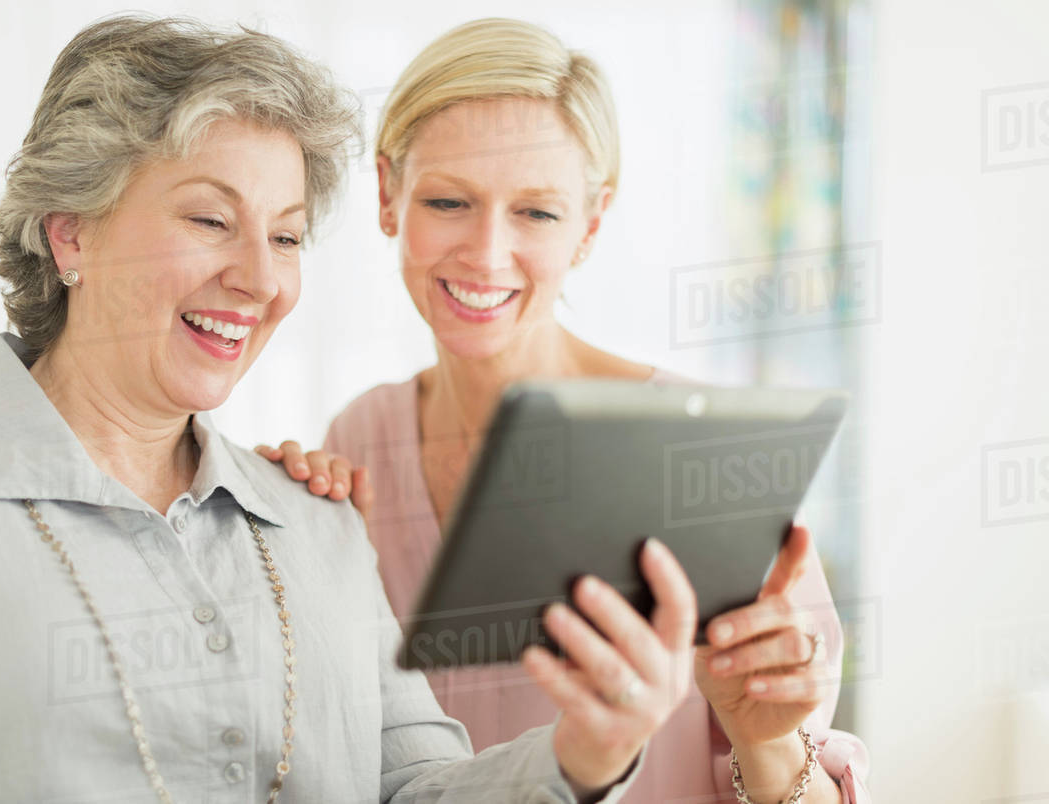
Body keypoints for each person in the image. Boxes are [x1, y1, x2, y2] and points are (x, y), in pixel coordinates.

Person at [0, 15, 726, 803]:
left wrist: (588, 749)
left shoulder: (316, 519)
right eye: (209, 220)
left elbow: (416, 790)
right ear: (71, 228)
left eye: (286, 236)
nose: (261, 281)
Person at [260, 18, 870, 803]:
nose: (485, 253)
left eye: (537, 214)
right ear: (388, 195)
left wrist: (770, 741)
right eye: (449, 201)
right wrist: (286, 540)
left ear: (590, 224)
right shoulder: (362, 436)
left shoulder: (708, 449)